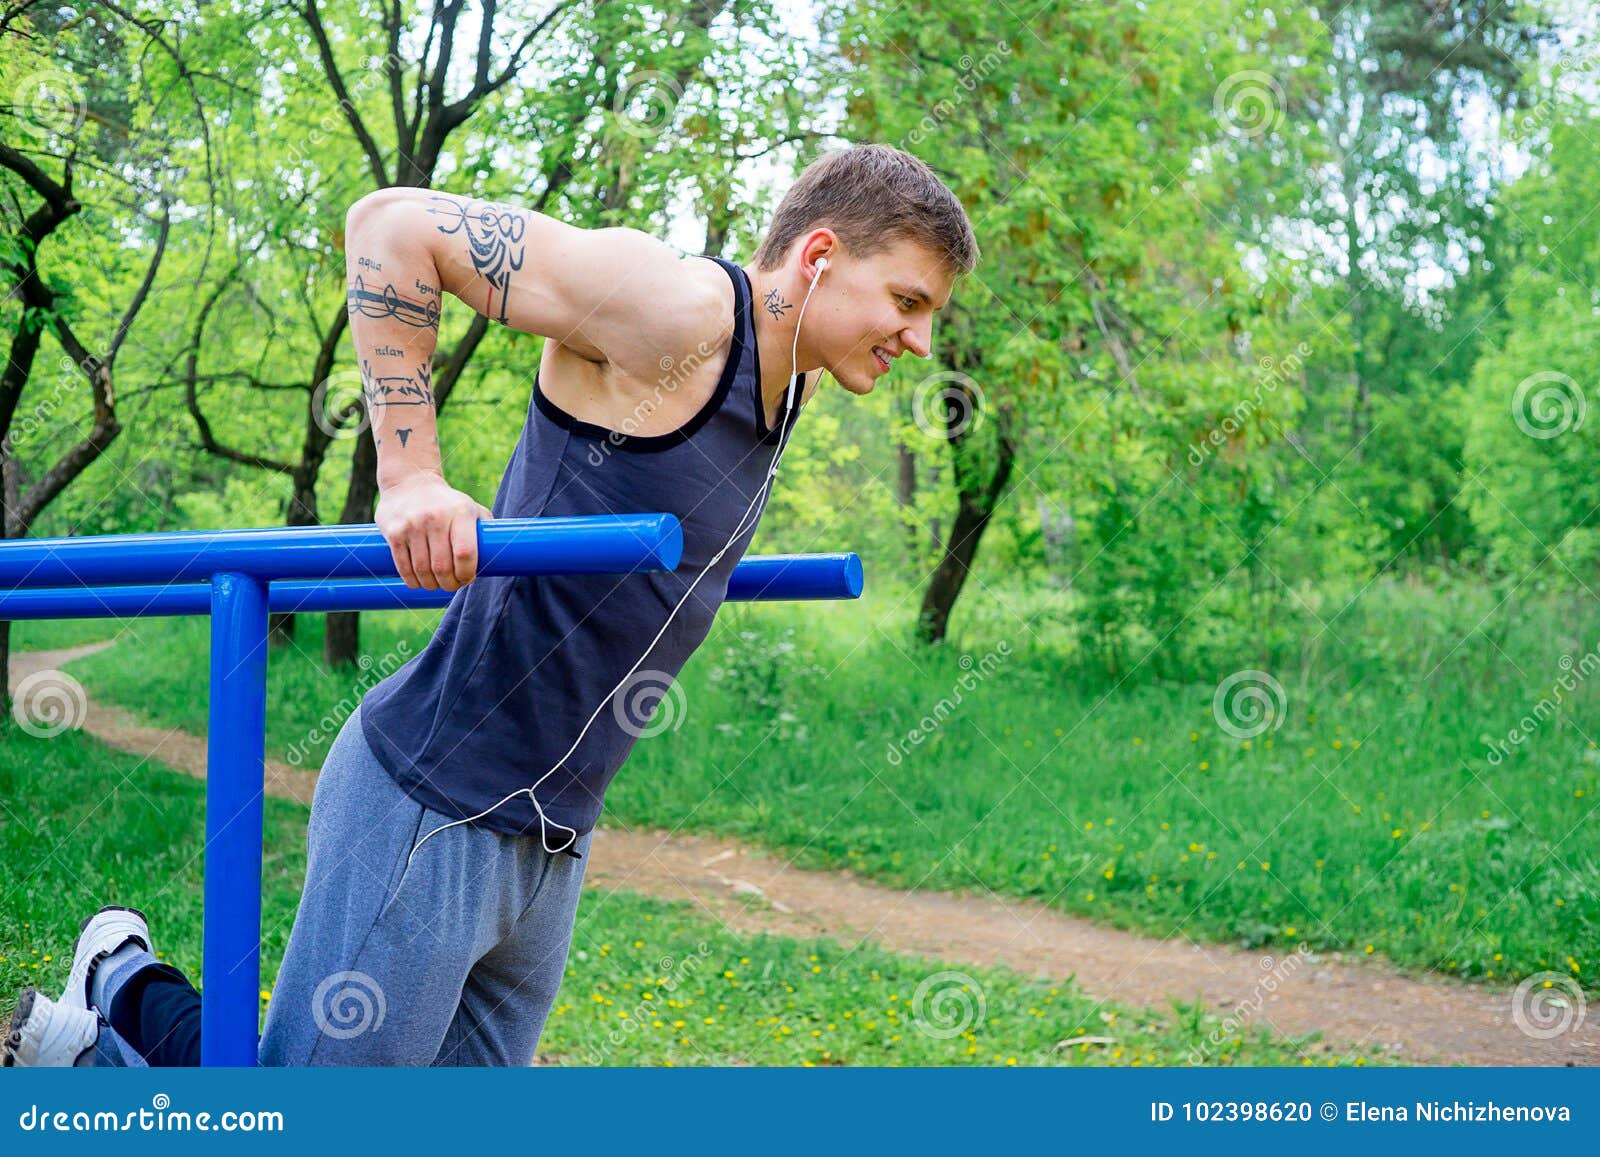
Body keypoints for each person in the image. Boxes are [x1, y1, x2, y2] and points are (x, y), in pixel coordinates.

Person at [2, 142, 977, 1067]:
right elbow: (392, 226)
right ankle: (122, 992)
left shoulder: (787, 383)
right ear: (817, 257)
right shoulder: (680, 311)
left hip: (553, 835)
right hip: (436, 803)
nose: (921, 339)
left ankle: (100, 1019)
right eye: (906, 299)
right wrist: (412, 475)